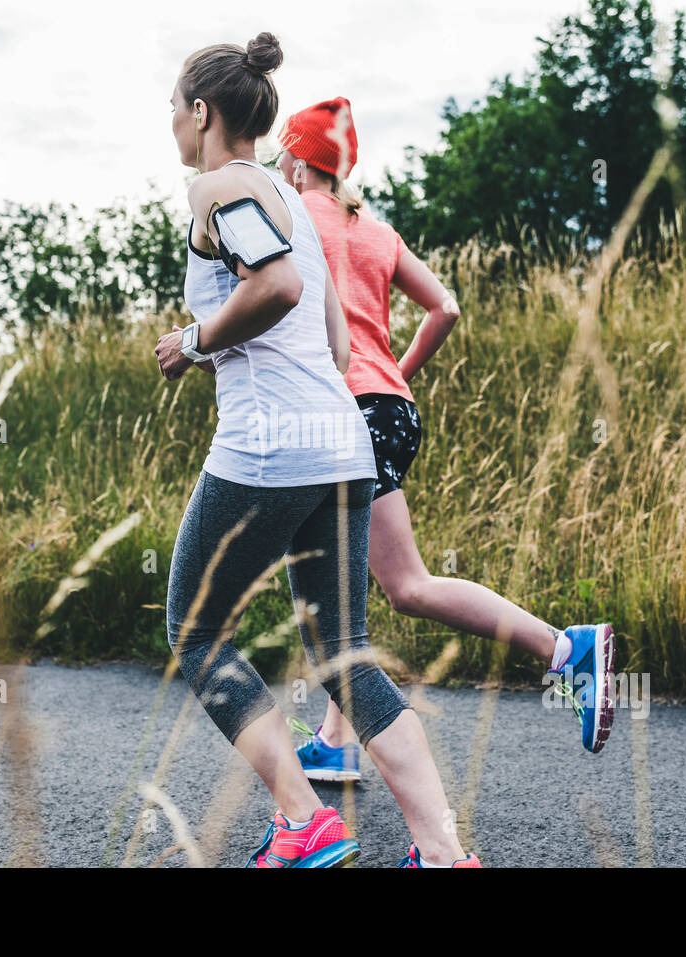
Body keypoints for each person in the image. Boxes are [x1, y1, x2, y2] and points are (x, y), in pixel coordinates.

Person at [156, 34, 479, 867]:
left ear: (203, 111)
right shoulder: (297, 204)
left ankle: (302, 819)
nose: (171, 124)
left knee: (194, 631)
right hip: (342, 439)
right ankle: (443, 850)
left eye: (174, 108)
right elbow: (336, 344)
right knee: (344, 654)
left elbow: (277, 286)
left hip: (271, 443)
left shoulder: (217, 185)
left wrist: (196, 341)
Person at [274, 98, 615, 793]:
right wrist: (394, 370)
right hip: (391, 408)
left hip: (337, 409)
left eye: (283, 151)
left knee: (392, 587)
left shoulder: (289, 210)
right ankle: (337, 741)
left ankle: (565, 646)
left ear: (298, 158)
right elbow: (447, 306)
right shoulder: (375, 229)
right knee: (361, 585)